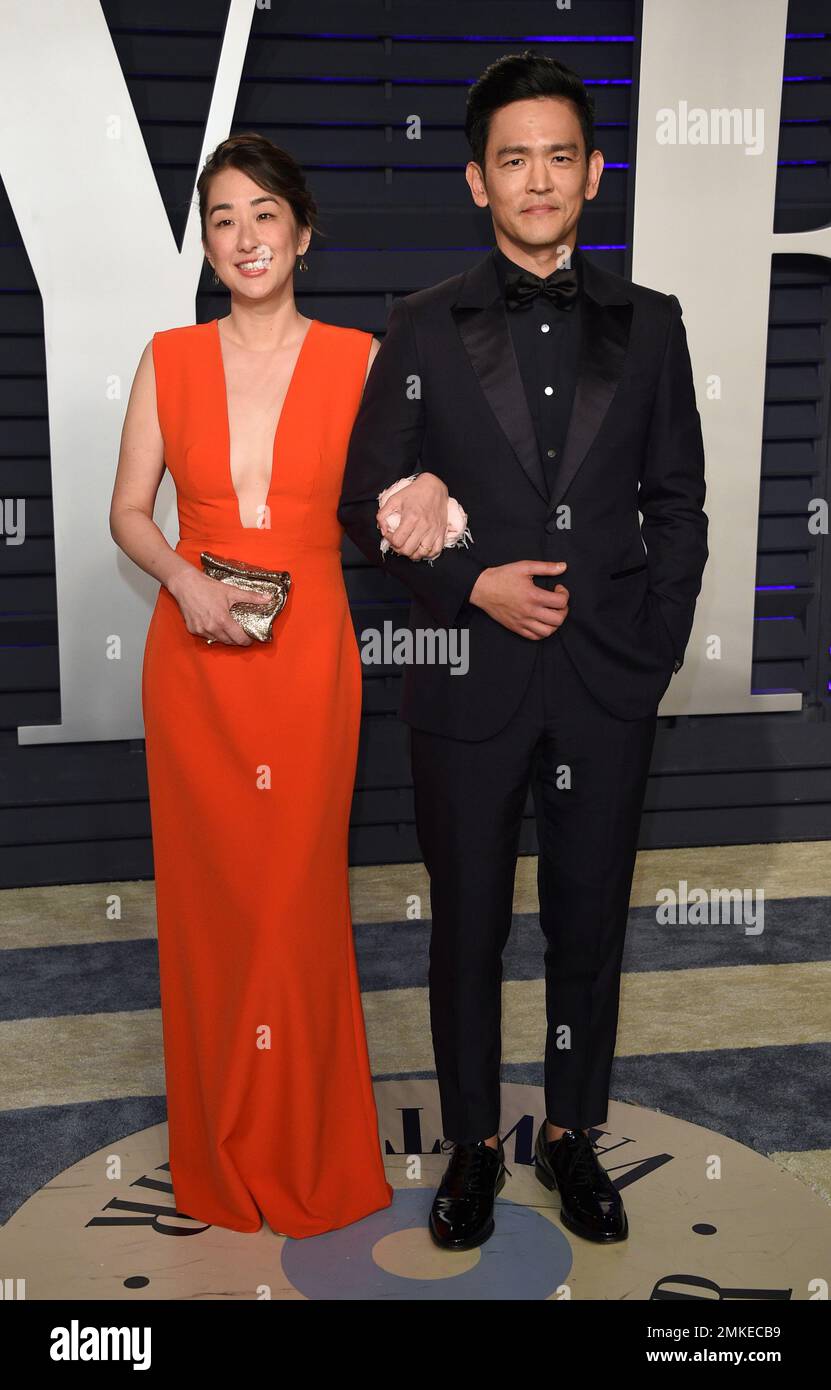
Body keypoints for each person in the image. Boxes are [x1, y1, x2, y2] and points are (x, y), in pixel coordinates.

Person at [338, 52, 708, 1251]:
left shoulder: (653, 327)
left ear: (594, 174)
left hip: (607, 683)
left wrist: (651, 652)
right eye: (513, 158)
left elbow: (681, 505)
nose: (537, 178)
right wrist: (471, 582)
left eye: (559, 155)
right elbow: (367, 502)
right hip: (467, 681)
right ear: (475, 179)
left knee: (589, 925)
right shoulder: (419, 325)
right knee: (468, 931)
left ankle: (570, 1139)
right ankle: (472, 1150)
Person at [109, 132, 437, 1236]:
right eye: (221, 221)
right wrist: (183, 581)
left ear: (301, 233)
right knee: (212, 913)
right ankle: (218, 1145)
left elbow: (402, 487)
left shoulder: (359, 356)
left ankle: (303, 1143)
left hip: (306, 666)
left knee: (294, 906)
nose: (243, 238)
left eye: (262, 216)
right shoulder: (169, 356)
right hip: (192, 663)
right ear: (206, 246)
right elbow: (126, 512)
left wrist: (435, 488)